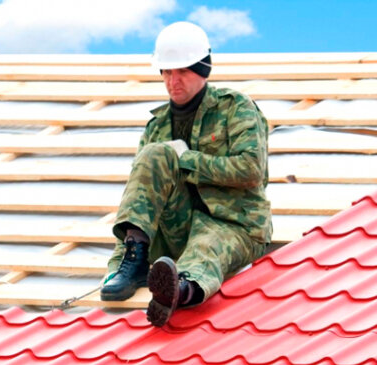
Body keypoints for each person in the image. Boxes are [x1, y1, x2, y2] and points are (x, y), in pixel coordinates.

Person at [99, 21, 272, 326]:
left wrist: (188, 160)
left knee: (207, 246)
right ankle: (137, 263)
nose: (172, 81)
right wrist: (118, 265)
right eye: (167, 72)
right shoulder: (156, 126)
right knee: (154, 155)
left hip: (233, 223)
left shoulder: (235, 108)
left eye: (181, 72)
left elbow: (251, 170)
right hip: (177, 227)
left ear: (202, 69)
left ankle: (180, 290)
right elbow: (141, 200)